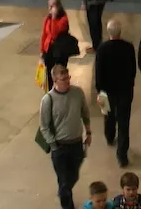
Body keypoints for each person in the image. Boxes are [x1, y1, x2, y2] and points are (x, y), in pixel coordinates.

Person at [40, 65, 92, 209]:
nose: (67, 81)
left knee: (74, 176)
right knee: (64, 183)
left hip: (76, 144)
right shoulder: (48, 100)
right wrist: (54, 145)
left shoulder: (78, 93)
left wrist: (88, 133)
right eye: (63, 79)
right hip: (60, 147)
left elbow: (85, 113)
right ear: (55, 80)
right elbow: (44, 126)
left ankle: (64, 191)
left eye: (68, 78)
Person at [94, 20, 136, 166]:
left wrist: (99, 91)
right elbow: (132, 70)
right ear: (120, 31)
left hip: (108, 91)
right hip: (124, 91)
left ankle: (109, 136)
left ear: (108, 32)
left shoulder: (102, 49)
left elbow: (98, 73)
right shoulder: (128, 47)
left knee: (108, 115)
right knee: (124, 122)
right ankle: (122, 155)